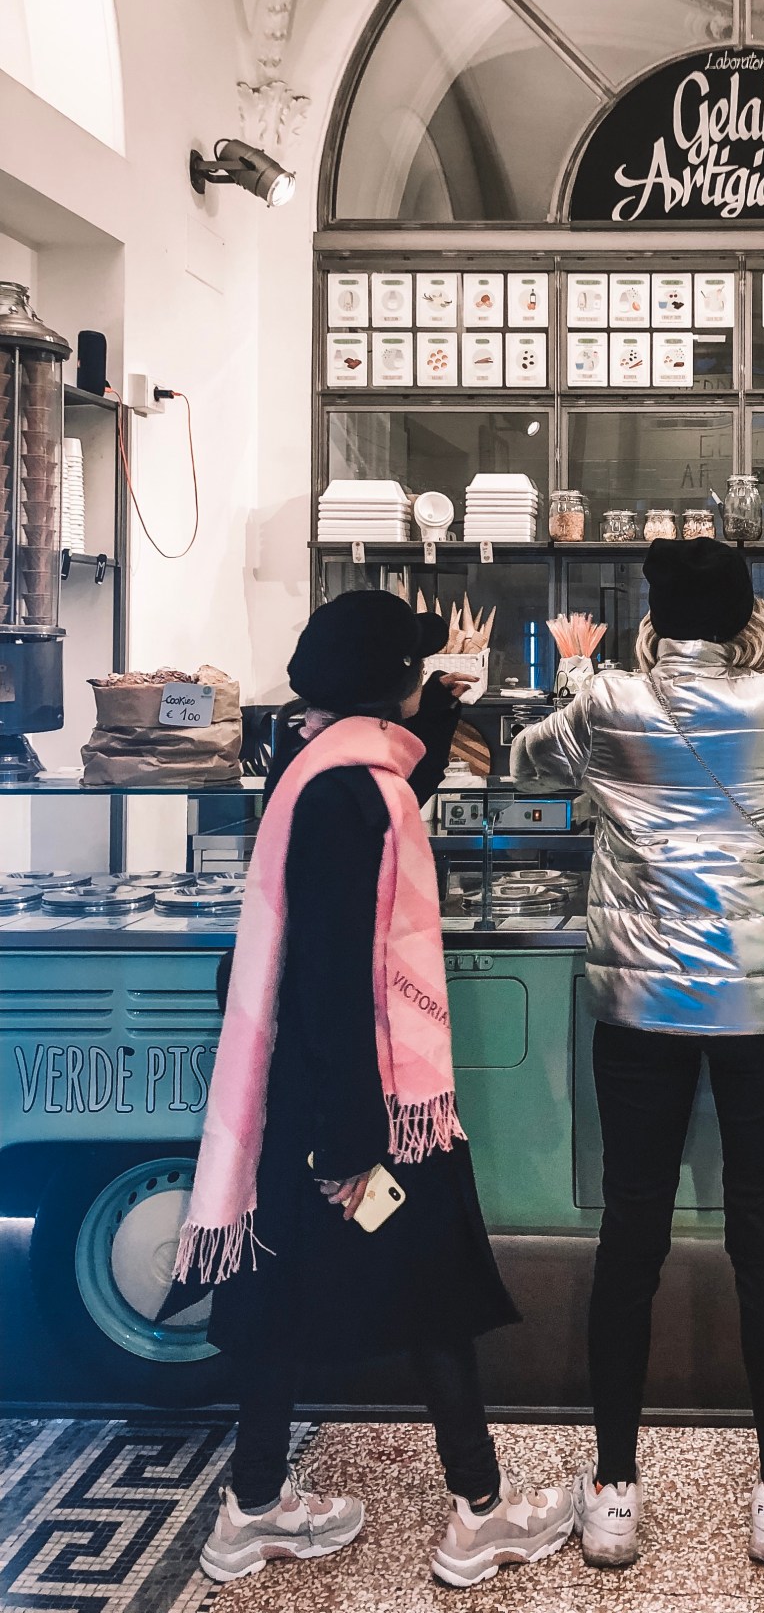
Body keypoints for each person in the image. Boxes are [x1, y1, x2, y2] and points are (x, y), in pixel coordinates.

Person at [178, 590, 574, 1588]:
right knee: (435, 1283)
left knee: (278, 1292)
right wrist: (353, 1136)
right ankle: (480, 1511)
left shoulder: (317, 760)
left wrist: (436, 715)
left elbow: (397, 781)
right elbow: (338, 969)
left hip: (308, 1088)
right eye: (414, 666)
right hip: (369, 1100)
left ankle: (253, 1506)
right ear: (385, 679)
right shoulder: (355, 794)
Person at [511, 540, 764, 1569]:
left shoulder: (610, 698)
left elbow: (531, 757)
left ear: (654, 616)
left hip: (639, 1004)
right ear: (747, 614)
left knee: (630, 1235)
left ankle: (614, 1491)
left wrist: (578, 679)